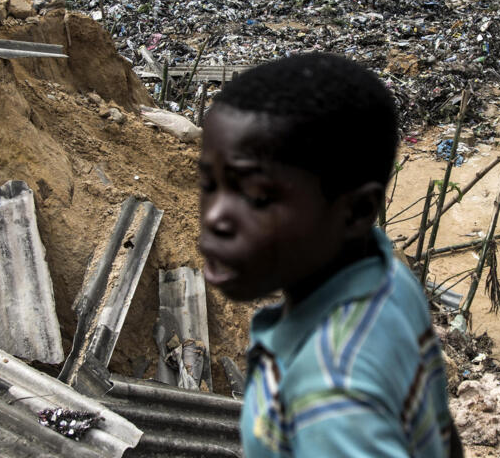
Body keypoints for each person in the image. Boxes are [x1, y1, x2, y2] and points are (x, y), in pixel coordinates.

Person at [198, 54, 461, 458]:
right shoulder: (387, 276)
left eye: (256, 196)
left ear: (355, 211)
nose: (215, 216)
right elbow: (442, 432)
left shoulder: (329, 398)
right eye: (208, 184)